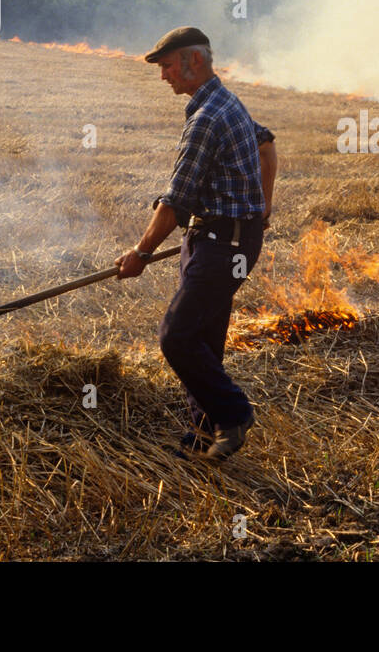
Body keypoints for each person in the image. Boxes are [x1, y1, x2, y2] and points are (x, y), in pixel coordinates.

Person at [116, 26, 278, 460]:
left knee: (178, 336)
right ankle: (203, 434)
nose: (163, 75)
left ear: (194, 61)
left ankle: (233, 415)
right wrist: (261, 207)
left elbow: (175, 202)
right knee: (204, 338)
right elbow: (266, 145)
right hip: (226, 239)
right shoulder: (226, 102)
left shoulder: (207, 118)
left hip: (221, 245)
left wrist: (141, 253)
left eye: (168, 66)